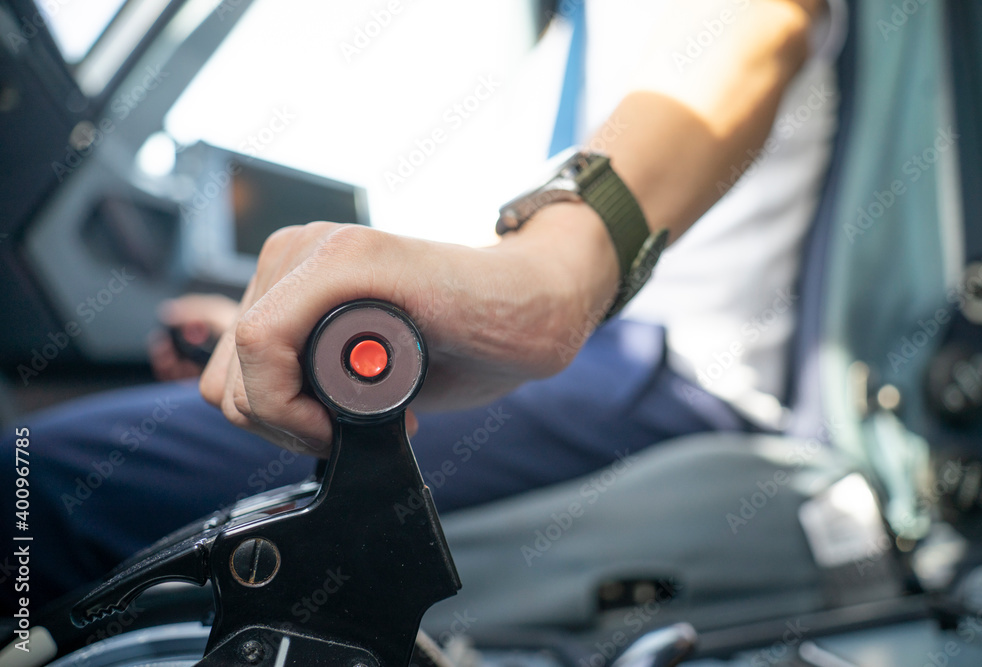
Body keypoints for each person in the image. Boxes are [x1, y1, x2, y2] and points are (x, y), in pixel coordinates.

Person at [1, 0, 844, 612]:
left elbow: (763, 24)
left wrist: (551, 278)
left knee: (28, 485)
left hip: (667, 369)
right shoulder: (557, 49)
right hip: (596, 361)